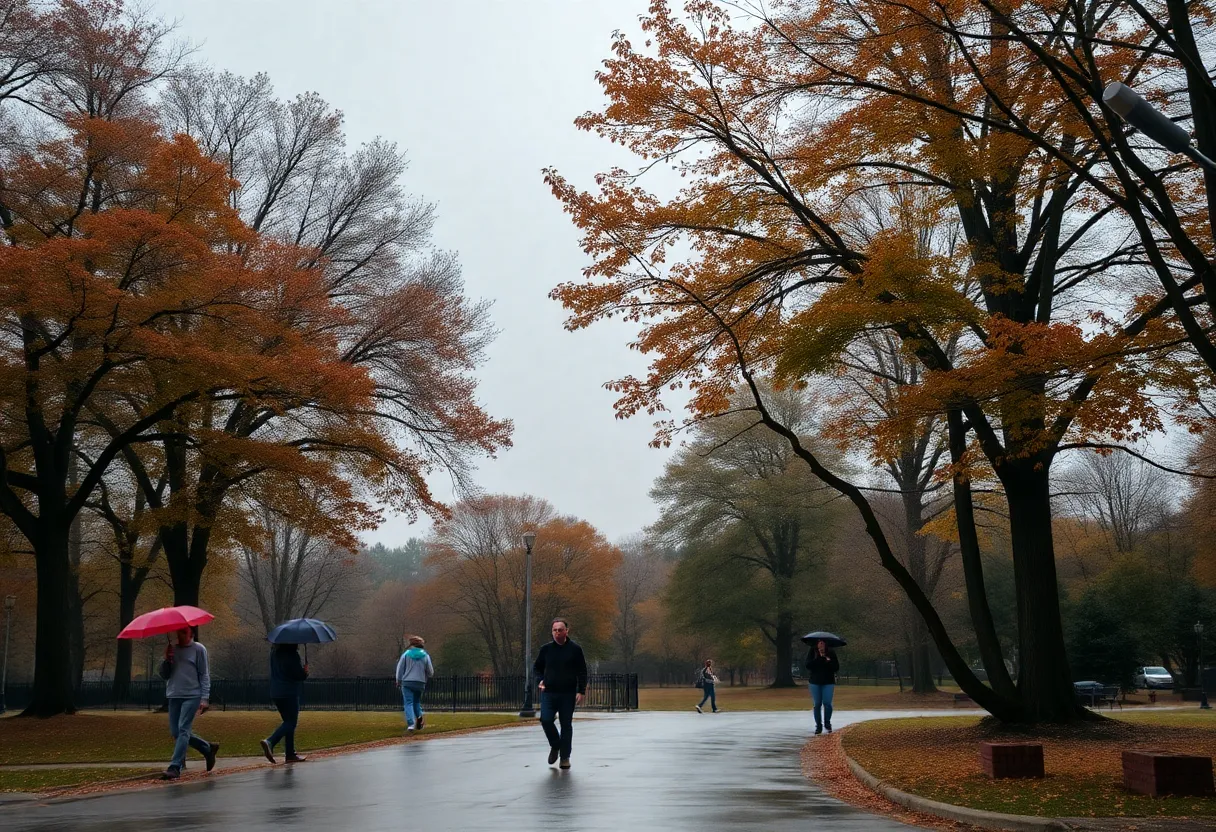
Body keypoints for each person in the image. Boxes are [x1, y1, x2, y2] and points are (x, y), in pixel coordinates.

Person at [159, 627, 218, 780]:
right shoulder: (172, 649)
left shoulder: (199, 649)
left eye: (185, 632)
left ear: (191, 633)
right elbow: (164, 675)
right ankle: (207, 748)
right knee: (175, 732)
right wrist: (167, 660)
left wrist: (205, 698)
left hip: (192, 695)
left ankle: (175, 767)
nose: (181, 635)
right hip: (174, 694)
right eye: (179, 632)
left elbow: (204, 674)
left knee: (183, 729)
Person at [533, 618, 587, 770]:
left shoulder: (575, 649)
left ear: (566, 631)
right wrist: (540, 680)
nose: (557, 633)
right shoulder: (546, 649)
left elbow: (582, 671)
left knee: (566, 725)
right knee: (546, 720)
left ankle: (565, 757)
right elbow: (537, 667)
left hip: (567, 693)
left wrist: (581, 691)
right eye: (554, 630)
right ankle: (555, 745)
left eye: (560, 630)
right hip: (549, 692)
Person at [260, 643, 309, 764]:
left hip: (276, 692)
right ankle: (270, 741)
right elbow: (298, 675)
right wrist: (305, 672)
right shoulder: (292, 655)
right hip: (289, 692)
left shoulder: (274, 653)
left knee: (287, 722)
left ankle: (290, 754)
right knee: (291, 722)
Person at [394, 635, 434, 732]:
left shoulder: (406, 654)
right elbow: (430, 672)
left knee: (408, 703)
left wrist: (398, 680)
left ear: (412, 644)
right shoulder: (425, 655)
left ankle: (411, 724)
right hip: (420, 682)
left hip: (407, 682)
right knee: (416, 702)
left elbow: (400, 669)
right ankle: (419, 719)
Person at [805, 639, 840, 735]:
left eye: (823, 643)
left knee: (827, 703)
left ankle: (827, 723)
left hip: (828, 682)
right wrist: (818, 658)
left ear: (826, 644)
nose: (821, 644)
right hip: (815, 682)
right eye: (819, 643)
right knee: (817, 704)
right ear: (816, 644)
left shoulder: (831, 652)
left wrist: (828, 661)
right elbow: (808, 665)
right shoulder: (813, 651)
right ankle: (818, 726)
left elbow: (836, 667)